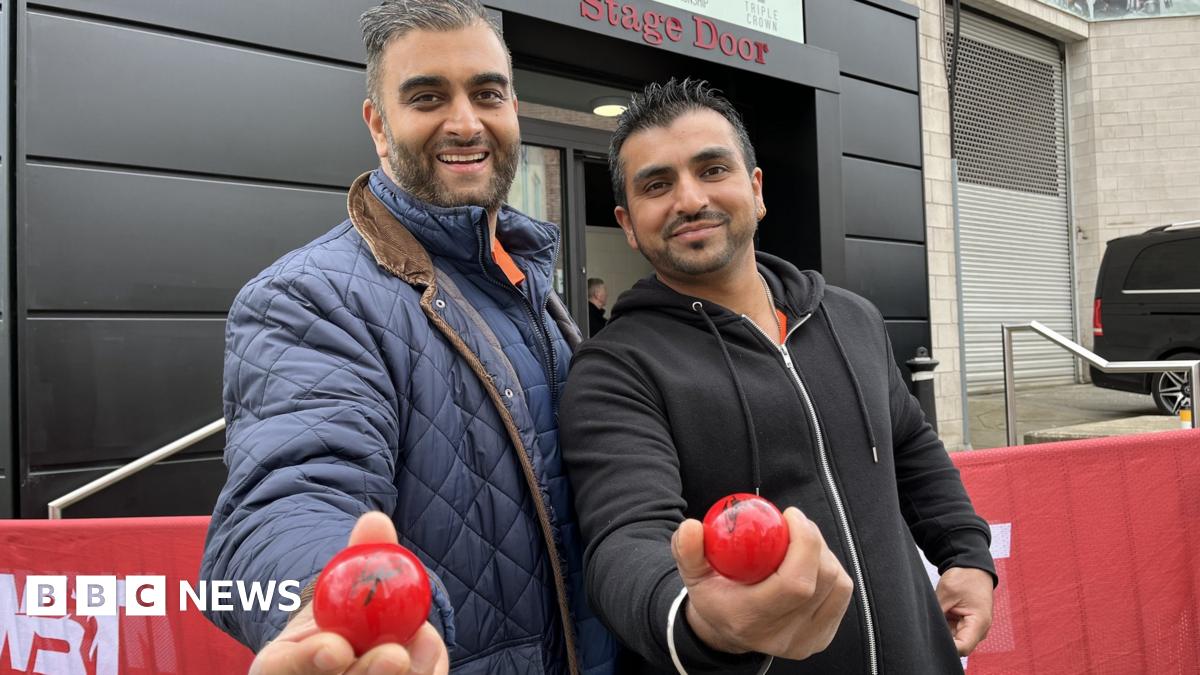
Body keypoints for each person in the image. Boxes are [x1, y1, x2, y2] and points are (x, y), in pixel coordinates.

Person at [200, 2, 616, 674]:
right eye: (427, 96)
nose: (465, 121)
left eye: (487, 93)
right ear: (378, 124)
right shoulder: (311, 296)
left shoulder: (526, 281)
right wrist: (327, 600)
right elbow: (287, 495)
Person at [559, 79, 996, 674]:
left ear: (756, 189)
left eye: (712, 170)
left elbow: (911, 446)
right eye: (657, 185)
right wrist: (699, 622)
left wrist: (967, 556)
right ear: (628, 223)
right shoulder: (615, 369)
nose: (689, 199)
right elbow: (624, 537)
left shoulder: (851, 318)